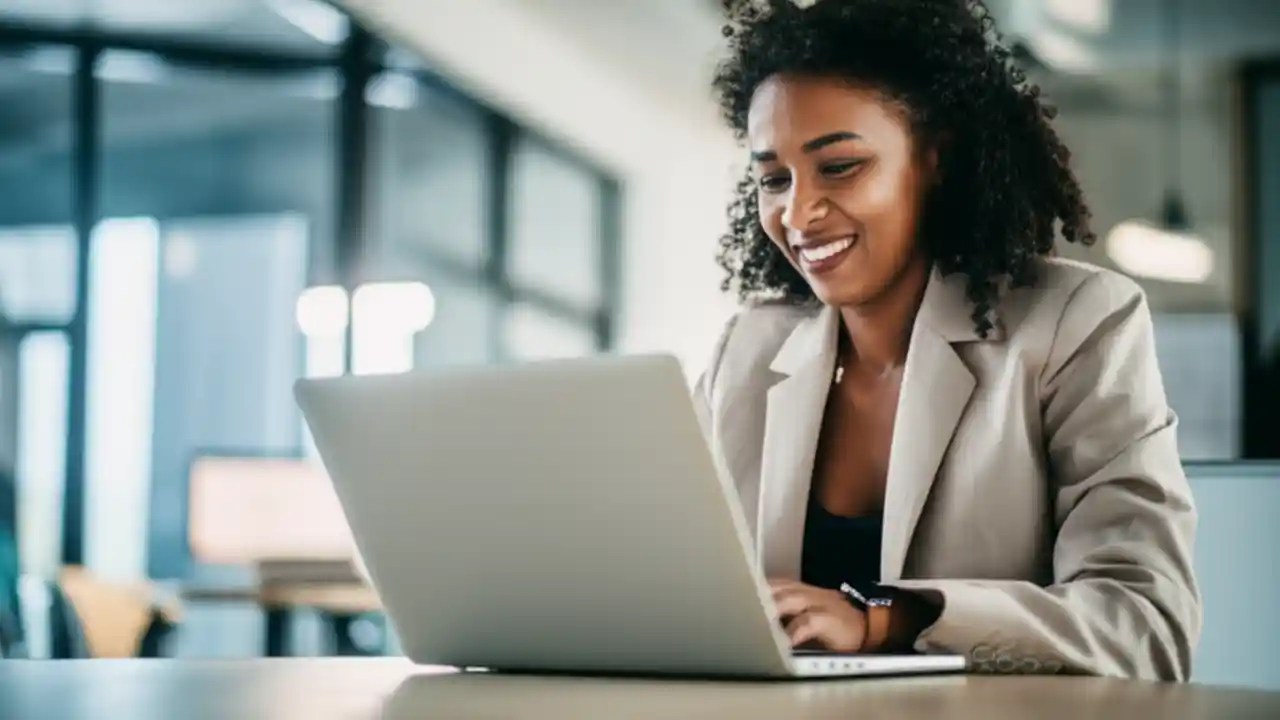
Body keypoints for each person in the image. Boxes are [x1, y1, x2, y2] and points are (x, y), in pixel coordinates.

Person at [695, 0, 1200, 680]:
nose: (798, 212)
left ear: (934, 159)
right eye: (773, 179)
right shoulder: (748, 351)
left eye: (839, 166)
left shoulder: (1075, 323)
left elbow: (1145, 625)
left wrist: (886, 619)